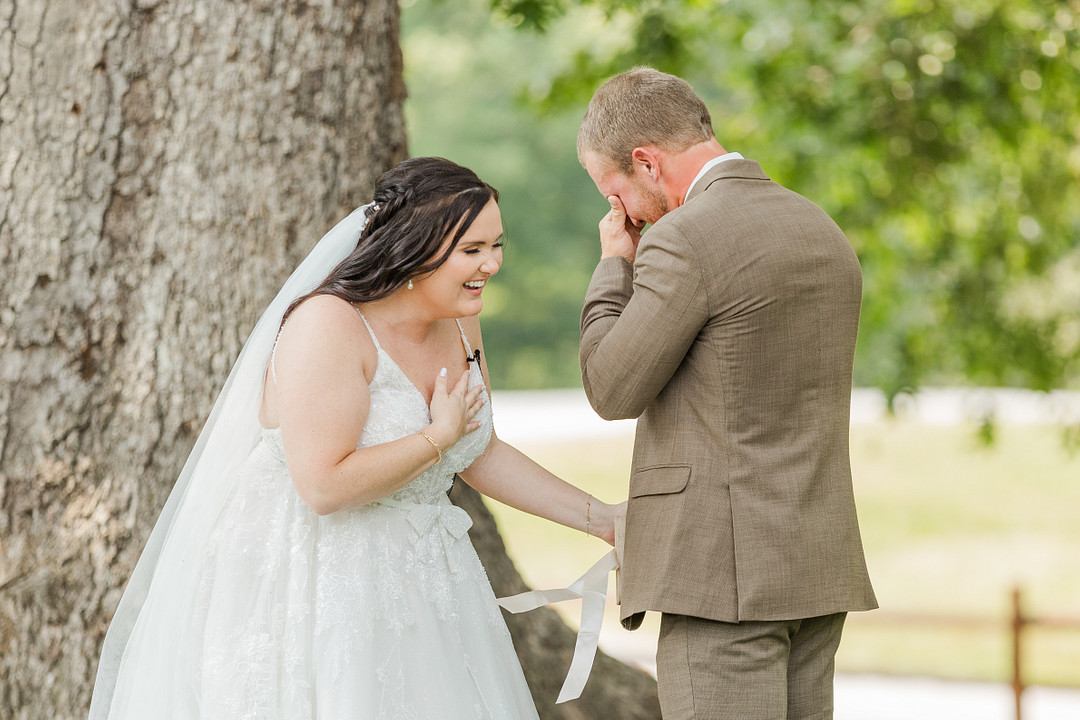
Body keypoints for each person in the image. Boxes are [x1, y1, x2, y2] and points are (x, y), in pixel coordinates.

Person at [88, 156, 620, 719]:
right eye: (472, 250)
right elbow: (322, 485)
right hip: (318, 582)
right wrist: (435, 437)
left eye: (496, 245)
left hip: (425, 578)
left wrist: (604, 519)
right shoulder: (330, 325)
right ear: (417, 248)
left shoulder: (461, 319)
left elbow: (478, 449)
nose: (491, 264)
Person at [576, 68, 878, 719]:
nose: (621, 213)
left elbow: (610, 386)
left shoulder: (686, 239)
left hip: (722, 579)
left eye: (615, 192)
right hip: (816, 569)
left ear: (646, 162)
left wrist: (614, 266)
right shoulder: (819, 228)